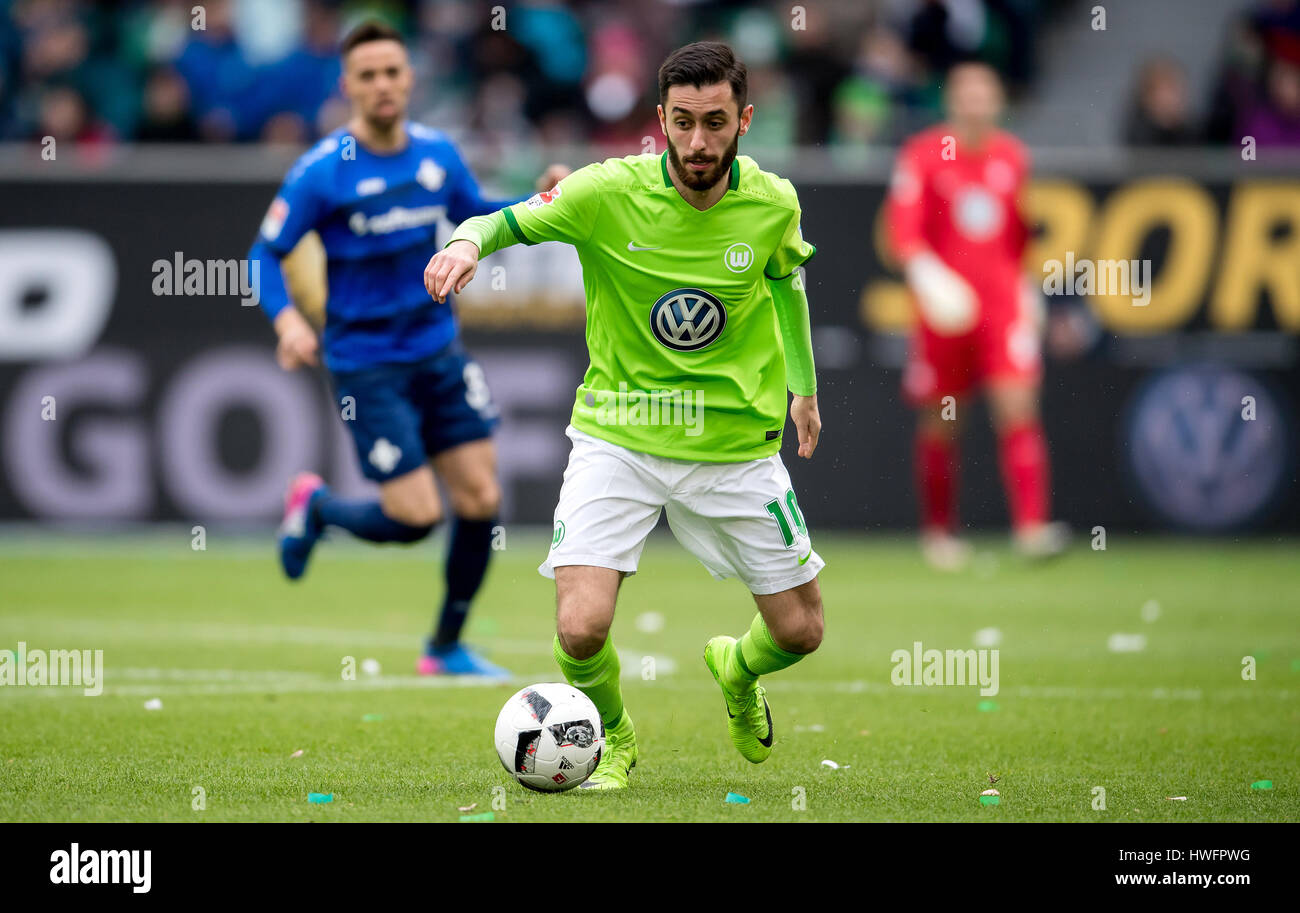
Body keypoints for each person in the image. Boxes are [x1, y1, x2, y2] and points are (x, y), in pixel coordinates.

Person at [424, 41, 825, 789]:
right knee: (579, 626)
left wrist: (803, 389)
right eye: (682, 122)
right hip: (619, 433)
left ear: (743, 119)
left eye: (714, 123)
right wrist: (463, 244)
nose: (698, 142)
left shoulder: (773, 202)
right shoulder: (608, 192)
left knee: (801, 631)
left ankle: (736, 669)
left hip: (734, 444)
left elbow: (787, 286)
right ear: (660, 120)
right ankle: (612, 737)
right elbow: (505, 220)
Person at [248, 20, 567, 676]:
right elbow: (265, 253)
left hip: (438, 349)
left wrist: (546, 197)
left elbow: (478, 209)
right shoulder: (322, 170)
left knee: (480, 499)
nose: (383, 84)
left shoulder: (436, 153)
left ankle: (445, 645)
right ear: (349, 86)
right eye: (368, 75)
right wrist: (285, 322)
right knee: (417, 516)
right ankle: (318, 508)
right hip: (366, 363)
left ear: (409, 77)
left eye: (392, 71)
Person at [887, 60, 1068, 570]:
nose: (975, 103)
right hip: (943, 311)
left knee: (1018, 405)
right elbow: (905, 234)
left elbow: (1017, 237)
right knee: (943, 419)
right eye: (966, 94)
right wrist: (927, 276)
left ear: (997, 102)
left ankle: (1032, 529)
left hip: (1001, 306)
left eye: (984, 94)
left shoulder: (1012, 158)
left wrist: (1028, 290)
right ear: (951, 100)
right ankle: (939, 533)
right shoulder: (922, 156)